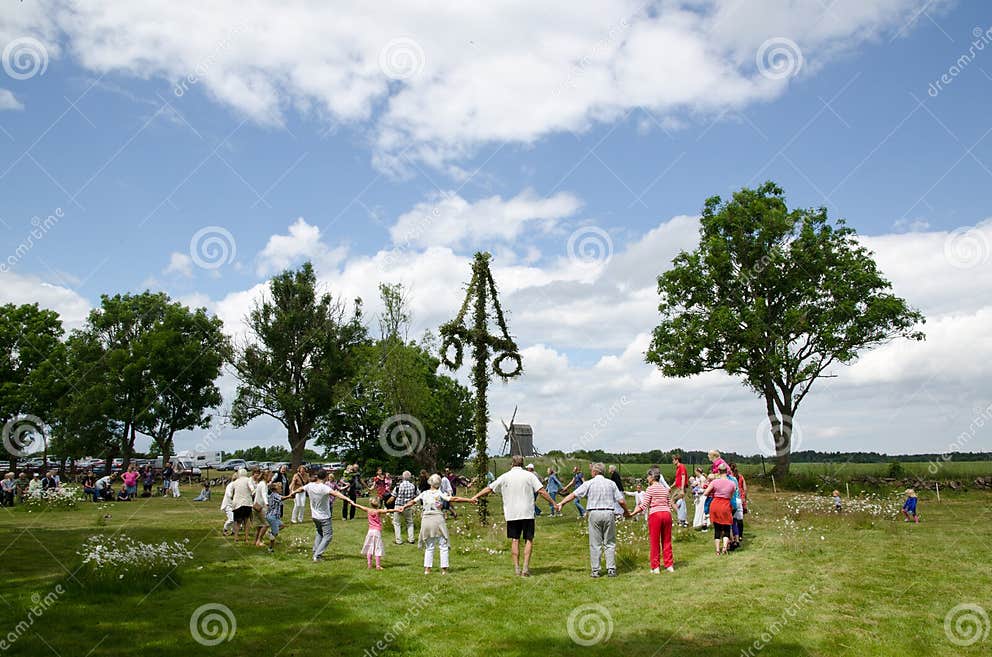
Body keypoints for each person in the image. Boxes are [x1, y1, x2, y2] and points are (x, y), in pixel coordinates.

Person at [473, 456, 558, 577]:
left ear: (512, 464)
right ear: (522, 464)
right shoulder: (529, 476)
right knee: (529, 539)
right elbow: (541, 491)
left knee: (515, 540)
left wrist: (476, 496)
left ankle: (517, 568)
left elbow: (489, 488)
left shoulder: (505, 476)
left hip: (512, 513)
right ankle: (525, 568)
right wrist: (553, 503)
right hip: (527, 513)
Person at [556, 463, 630, 577]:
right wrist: (626, 511)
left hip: (594, 512)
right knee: (609, 542)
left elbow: (574, 494)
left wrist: (562, 503)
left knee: (595, 543)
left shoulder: (589, 483)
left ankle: (596, 570)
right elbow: (621, 501)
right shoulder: (611, 483)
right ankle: (611, 569)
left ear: (595, 472)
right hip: (609, 512)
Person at [399, 474, 471, 575]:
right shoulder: (440, 493)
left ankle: (427, 570)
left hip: (426, 520)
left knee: (429, 546)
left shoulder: (424, 493)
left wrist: (403, 507)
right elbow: (454, 499)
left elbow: (413, 502)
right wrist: (469, 500)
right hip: (438, 520)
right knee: (443, 544)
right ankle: (444, 570)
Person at [287, 469, 351, 561]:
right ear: (325, 477)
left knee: (319, 533)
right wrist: (348, 499)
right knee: (328, 536)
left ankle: (315, 551)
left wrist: (293, 493)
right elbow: (336, 493)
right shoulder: (324, 487)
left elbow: (300, 489)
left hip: (315, 516)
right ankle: (317, 555)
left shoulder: (310, 485)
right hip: (324, 517)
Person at [627, 466, 674, 573]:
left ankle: (655, 567)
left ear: (652, 477)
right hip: (667, 514)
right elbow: (669, 504)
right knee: (667, 540)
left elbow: (643, 506)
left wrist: (632, 514)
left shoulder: (650, 489)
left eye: (648, 476)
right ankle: (669, 565)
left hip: (655, 515)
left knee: (654, 541)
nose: (647, 478)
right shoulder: (665, 489)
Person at [353, 496, 401, 570]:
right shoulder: (378, 511)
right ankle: (378, 566)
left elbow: (360, 506)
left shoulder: (368, 510)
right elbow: (388, 511)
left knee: (369, 547)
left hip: (370, 531)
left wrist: (353, 503)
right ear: (378, 504)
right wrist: (397, 510)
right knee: (378, 547)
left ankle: (369, 565)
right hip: (377, 531)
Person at [702, 464, 736, 555]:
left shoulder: (714, 482)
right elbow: (732, 495)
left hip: (715, 504)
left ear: (718, 472)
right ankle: (725, 547)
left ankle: (717, 550)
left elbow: (705, 493)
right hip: (725, 504)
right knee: (726, 527)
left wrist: (713, 493)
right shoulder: (732, 483)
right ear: (727, 471)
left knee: (717, 528)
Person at [388, 471, 418, 545]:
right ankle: (411, 539)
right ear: (410, 477)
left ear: (403, 477)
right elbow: (418, 496)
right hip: (408, 506)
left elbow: (393, 497)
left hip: (398, 506)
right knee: (410, 523)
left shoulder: (398, 486)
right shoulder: (413, 486)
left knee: (396, 523)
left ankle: (398, 540)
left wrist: (387, 502)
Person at [230, 468, 256, 543]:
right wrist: (253, 493)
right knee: (246, 521)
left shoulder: (235, 482)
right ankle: (246, 538)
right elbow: (252, 488)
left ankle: (236, 538)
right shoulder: (248, 480)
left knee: (237, 522)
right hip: (247, 503)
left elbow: (231, 493)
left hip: (237, 503)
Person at [264, 480, 284, 552]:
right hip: (272, 516)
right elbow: (282, 498)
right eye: (280, 488)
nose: (281, 489)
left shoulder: (274, 494)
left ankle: (270, 533)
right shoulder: (275, 495)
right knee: (275, 533)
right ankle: (270, 548)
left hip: (274, 516)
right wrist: (290, 496)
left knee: (282, 525)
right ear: (276, 489)